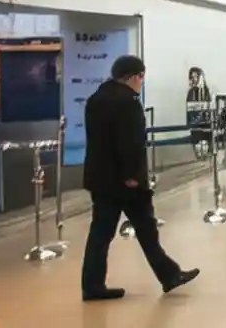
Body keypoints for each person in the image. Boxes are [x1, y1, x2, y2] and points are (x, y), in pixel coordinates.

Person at [82, 55, 199, 301]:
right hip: (126, 182)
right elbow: (130, 143)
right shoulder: (128, 102)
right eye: (141, 78)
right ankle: (169, 275)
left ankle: (92, 285)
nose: (141, 83)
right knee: (146, 228)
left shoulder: (95, 99)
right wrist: (132, 175)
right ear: (134, 76)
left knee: (101, 234)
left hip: (101, 179)